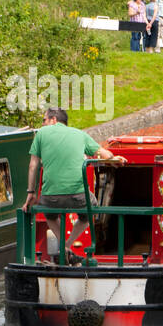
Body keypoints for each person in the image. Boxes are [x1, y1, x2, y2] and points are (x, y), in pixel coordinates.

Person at [22, 108, 125, 266]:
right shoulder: (80, 134)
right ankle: (67, 245)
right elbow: (104, 155)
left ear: (54, 119)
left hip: (50, 197)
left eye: (44, 120)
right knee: (91, 209)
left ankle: (63, 247)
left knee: (49, 215)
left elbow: (33, 165)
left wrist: (31, 193)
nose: (42, 123)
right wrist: (114, 158)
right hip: (78, 195)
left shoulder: (41, 134)